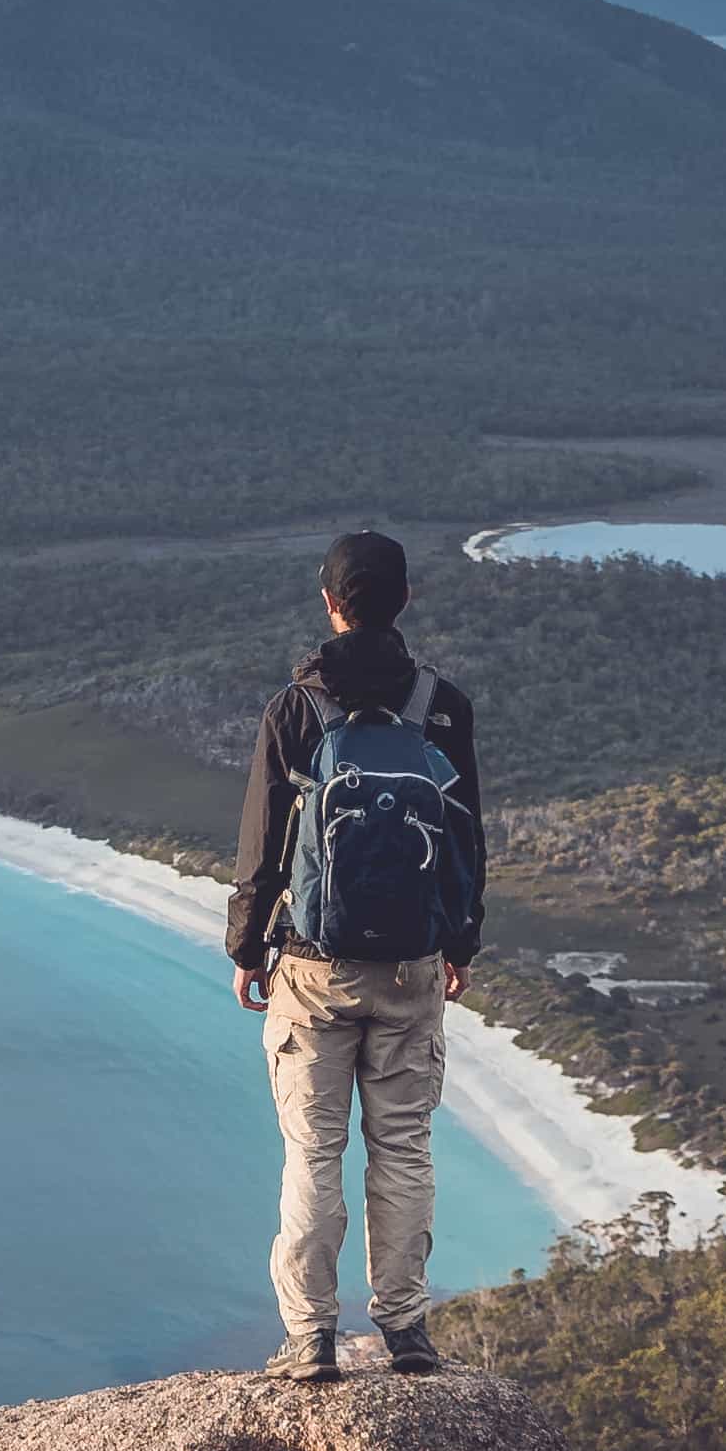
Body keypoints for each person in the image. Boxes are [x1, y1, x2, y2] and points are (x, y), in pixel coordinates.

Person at [226, 528, 484, 1384]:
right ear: (403, 600)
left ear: (328, 602)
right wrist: (461, 941)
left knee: (312, 1153)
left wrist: (245, 947)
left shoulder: (294, 707)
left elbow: (262, 845)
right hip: (412, 968)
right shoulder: (442, 705)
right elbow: (466, 837)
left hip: (311, 967)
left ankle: (311, 1336)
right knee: (403, 1146)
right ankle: (404, 1325)